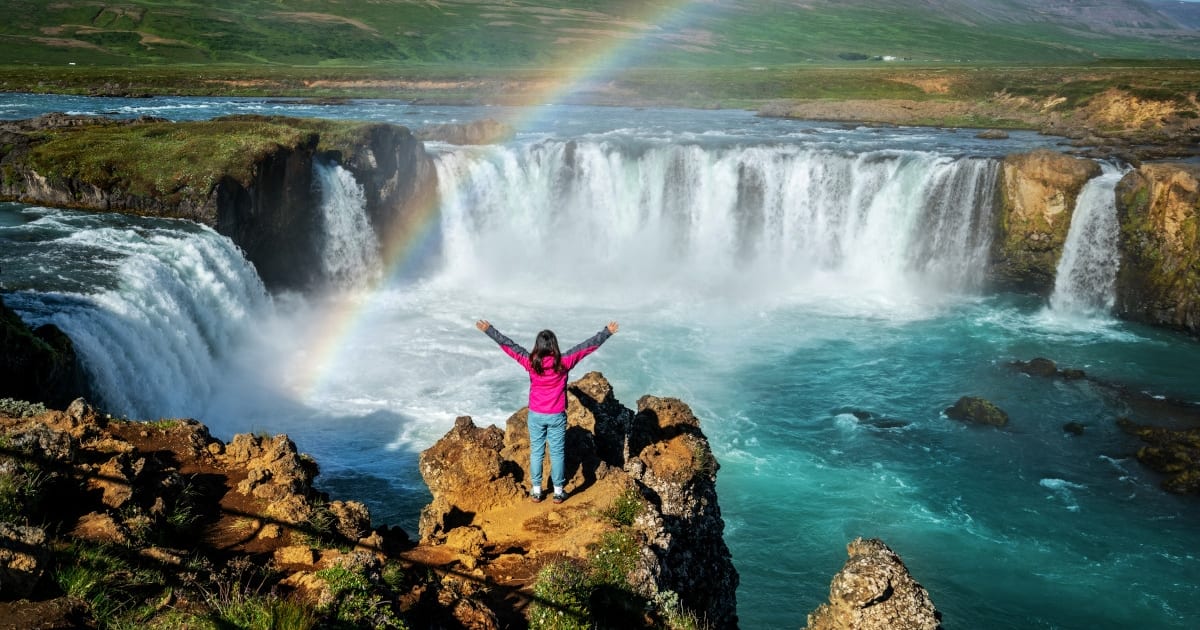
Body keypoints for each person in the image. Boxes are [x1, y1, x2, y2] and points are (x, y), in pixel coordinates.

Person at [476, 319, 618, 504]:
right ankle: (558, 492)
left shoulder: (531, 362)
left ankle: (536, 491)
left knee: (537, 451)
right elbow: (587, 346)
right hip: (557, 415)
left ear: (538, 346)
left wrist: (489, 330)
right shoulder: (564, 362)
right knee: (557, 453)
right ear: (554, 345)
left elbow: (509, 346)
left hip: (536, 414)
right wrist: (606, 332)